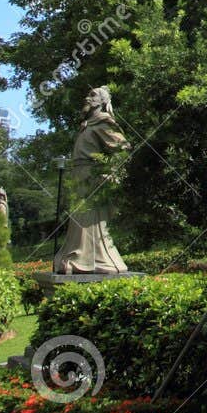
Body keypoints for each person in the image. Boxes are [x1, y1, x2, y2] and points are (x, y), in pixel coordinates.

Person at [53, 87, 130, 274]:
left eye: (93, 95)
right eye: (88, 94)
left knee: (90, 220)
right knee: (78, 220)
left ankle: (98, 261)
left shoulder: (104, 123)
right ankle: (76, 256)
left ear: (103, 102)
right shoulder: (88, 124)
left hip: (92, 178)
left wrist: (112, 173)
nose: (88, 97)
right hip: (79, 176)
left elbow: (124, 148)